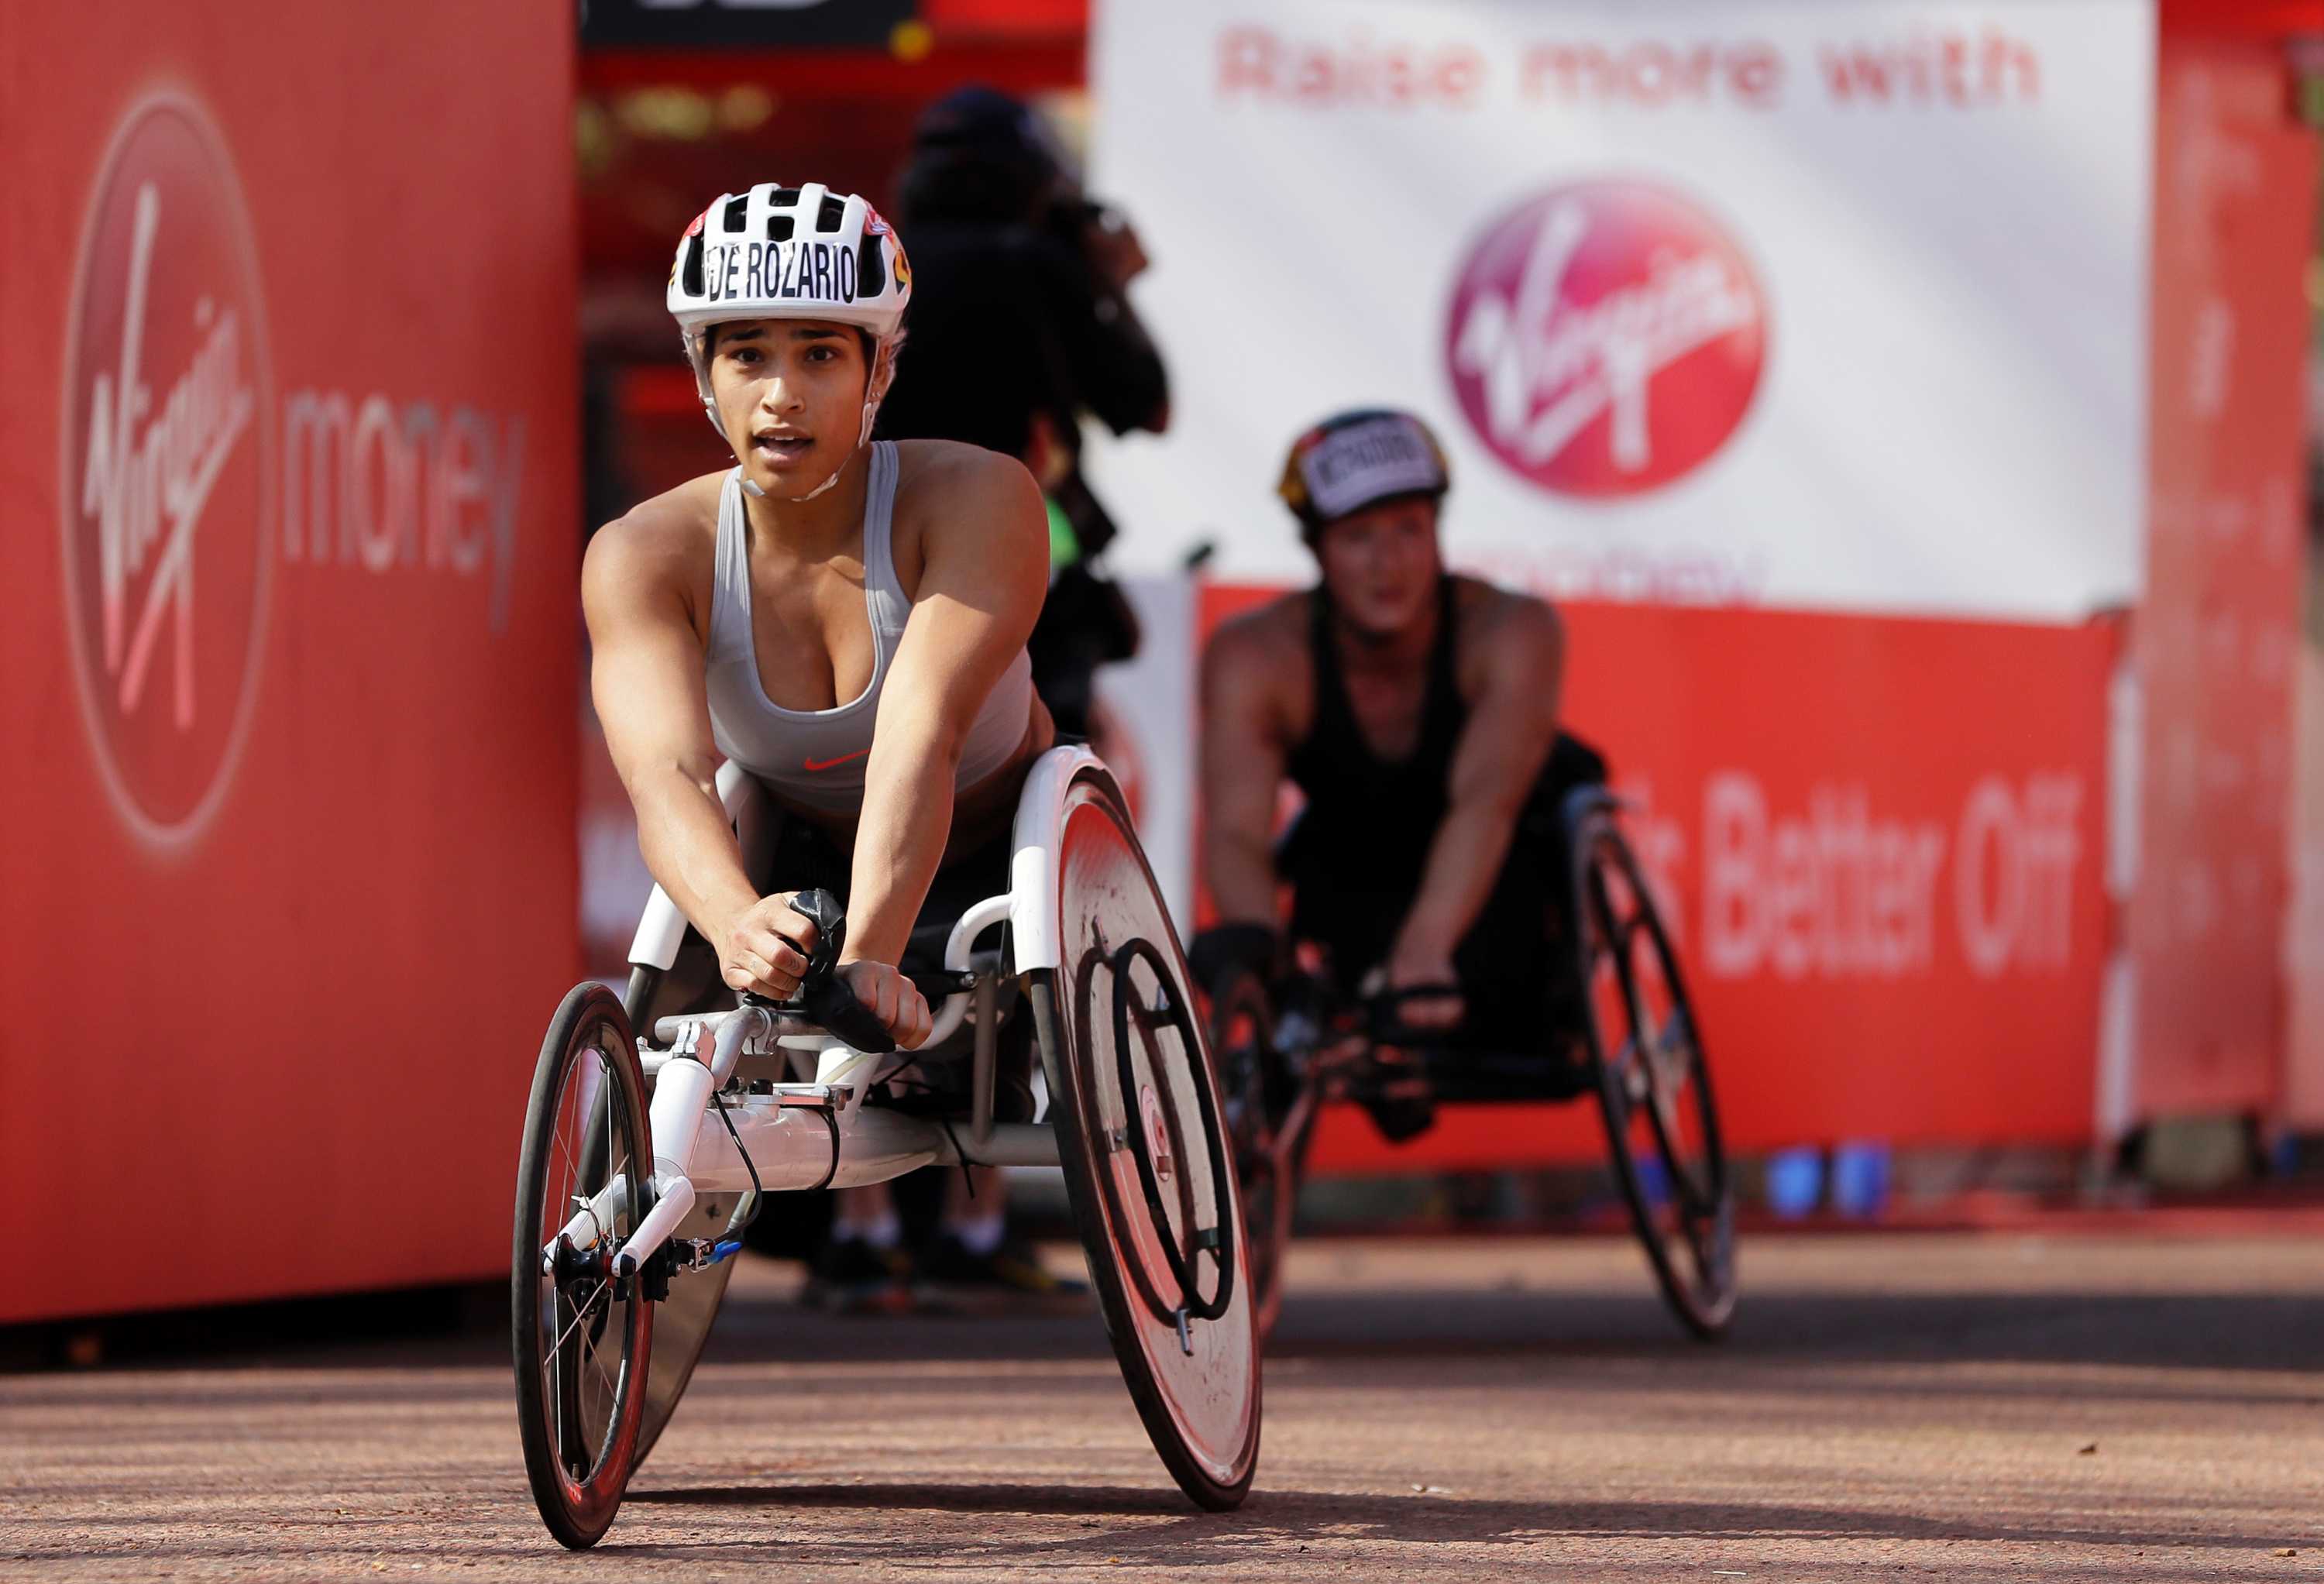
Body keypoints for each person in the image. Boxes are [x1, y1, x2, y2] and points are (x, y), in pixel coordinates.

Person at [583, 180, 1059, 1310]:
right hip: (797, 845)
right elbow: (664, 772)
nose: (783, 395)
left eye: (820, 355)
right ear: (704, 378)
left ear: (880, 370)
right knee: (707, 932)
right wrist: (736, 921)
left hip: (995, 844)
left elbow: (922, 737)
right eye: (746, 355)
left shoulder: (981, 496)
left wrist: (871, 962)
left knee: (925, 773)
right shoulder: (645, 551)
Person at [1191, 409, 1608, 1139]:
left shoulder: (1512, 630)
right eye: (1359, 537)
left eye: (1409, 530)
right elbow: (1233, 830)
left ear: (1438, 533)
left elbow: (1488, 798)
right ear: (1318, 549)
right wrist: (1269, 969)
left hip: (1502, 876)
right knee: (1304, 911)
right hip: (1356, 857)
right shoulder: (1256, 657)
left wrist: (1424, 951)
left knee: (1543, 811)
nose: (1390, 563)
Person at [876, 84, 1164, 739]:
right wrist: (1112, 283)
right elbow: (1149, 405)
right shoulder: (1035, 263)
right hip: (1028, 569)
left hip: (886, 565)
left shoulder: (878, 268)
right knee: (1037, 774)